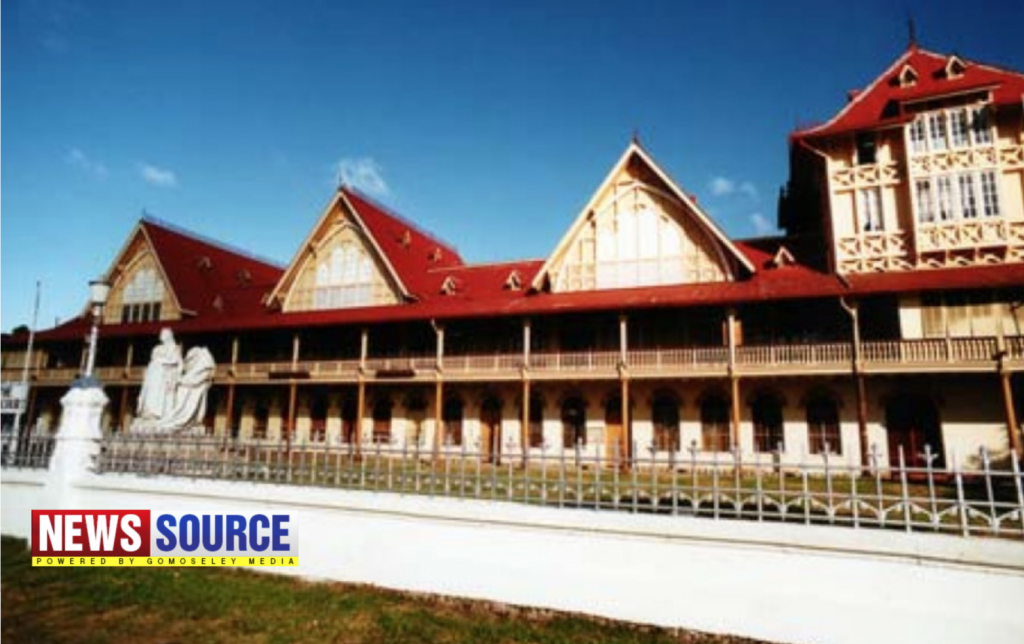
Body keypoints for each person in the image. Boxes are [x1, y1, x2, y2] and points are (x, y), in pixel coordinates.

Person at [136, 328, 182, 421]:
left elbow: (177, 362)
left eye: (163, 334)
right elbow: (153, 358)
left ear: (169, 335)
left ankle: (157, 412)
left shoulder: (174, 348)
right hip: (153, 373)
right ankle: (149, 411)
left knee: (159, 393)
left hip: (164, 374)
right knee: (151, 391)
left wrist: (176, 377)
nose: (161, 335)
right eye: (161, 333)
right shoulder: (157, 348)